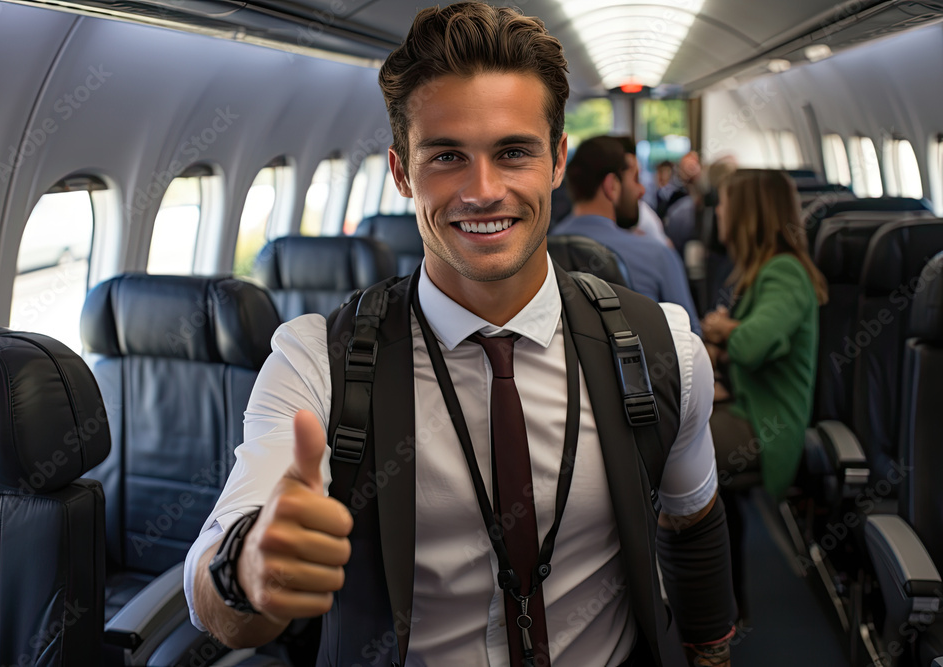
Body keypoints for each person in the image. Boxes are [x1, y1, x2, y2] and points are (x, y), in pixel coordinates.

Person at [186, 4, 736, 666]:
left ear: (557, 161)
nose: (483, 190)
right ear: (400, 171)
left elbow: (691, 517)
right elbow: (213, 590)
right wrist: (248, 573)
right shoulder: (316, 362)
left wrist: (711, 653)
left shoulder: (662, 347)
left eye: (513, 151)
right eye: (447, 155)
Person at [700, 168, 827, 619]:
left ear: (750, 213)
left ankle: (707, 602)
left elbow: (752, 345)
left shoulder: (785, 273)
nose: (718, 212)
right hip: (748, 410)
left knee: (667, 448)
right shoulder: (762, 271)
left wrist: (722, 329)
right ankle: (723, 599)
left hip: (767, 428)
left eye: (726, 204)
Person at [552, 135, 702, 336]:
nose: (641, 190)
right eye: (636, 179)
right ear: (611, 186)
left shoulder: (543, 252)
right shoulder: (656, 255)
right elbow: (691, 341)